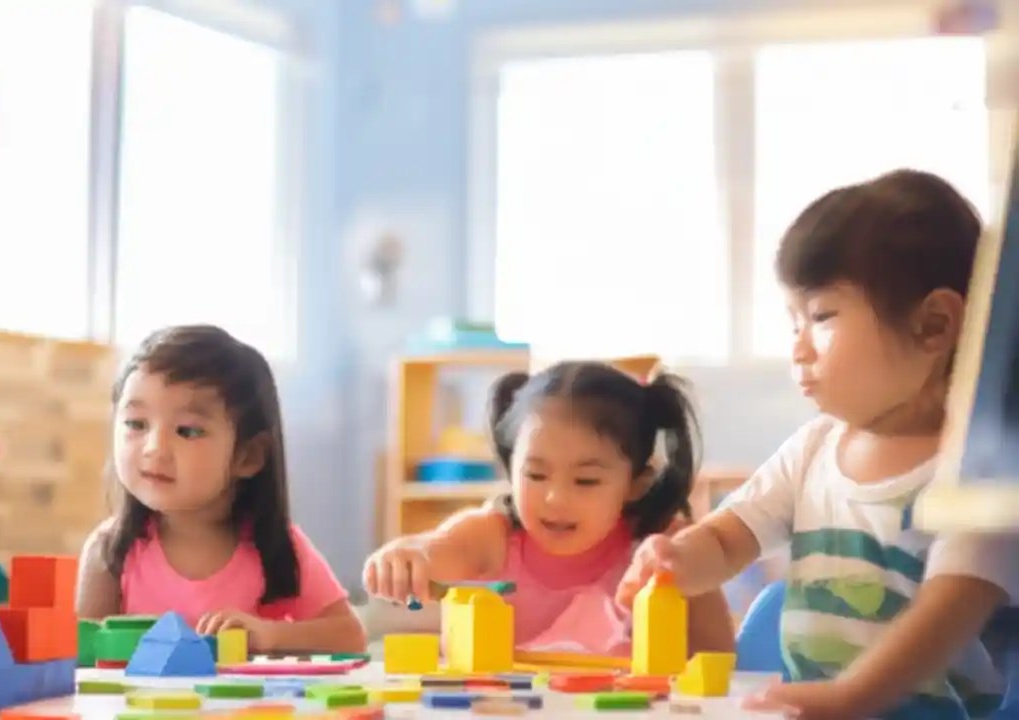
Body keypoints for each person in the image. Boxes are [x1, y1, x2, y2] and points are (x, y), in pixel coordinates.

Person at [617, 170, 1019, 719]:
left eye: (822, 316)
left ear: (933, 324)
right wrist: (677, 558)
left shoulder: (980, 471)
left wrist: (853, 696)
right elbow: (731, 540)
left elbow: (953, 603)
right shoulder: (811, 451)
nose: (799, 349)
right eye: (792, 322)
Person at [364, 361, 735, 655]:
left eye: (585, 481)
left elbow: (717, 656)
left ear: (636, 483)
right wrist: (405, 556)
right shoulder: (492, 536)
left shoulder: (664, 548)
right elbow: (436, 551)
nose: (555, 498)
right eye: (536, 475)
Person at [75, 326, 366, 653]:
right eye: (136, 424)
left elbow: (349, 636)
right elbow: (82, 659)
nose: (154, 448)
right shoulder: (110, 551)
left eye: (187, 430)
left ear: (248, 456)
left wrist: (268, 636)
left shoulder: (278, 549)